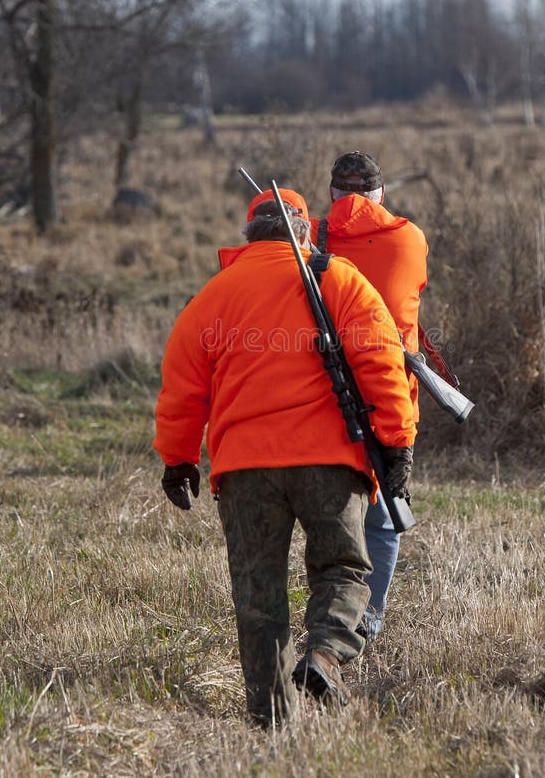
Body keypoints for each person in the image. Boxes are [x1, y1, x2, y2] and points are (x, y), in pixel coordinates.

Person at [154, 189, 416, 727]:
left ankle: (271, 717)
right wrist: (398, 443)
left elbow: (183, 386)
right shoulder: (339, 280)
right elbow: (382, 363)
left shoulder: (215, 295)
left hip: (246, 468)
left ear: (248, 238)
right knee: (342, 568)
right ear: (305, 232)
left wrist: (178, 460)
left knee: (259, 594)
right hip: (330, 463)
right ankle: (324, 654)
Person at [310, 151, 428, 641]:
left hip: (323, 392)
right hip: (391, 391)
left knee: (329, 517)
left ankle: (329, 618)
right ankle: (370, 618)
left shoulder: (311, 240)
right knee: (382, 519)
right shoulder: (410, 238)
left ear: (334, 193)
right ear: (381, 193)